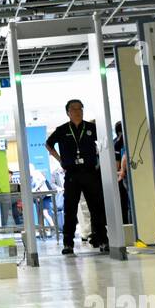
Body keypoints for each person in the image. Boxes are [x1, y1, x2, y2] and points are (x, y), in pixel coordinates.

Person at [45, 100, 109, 255]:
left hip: (89, 172)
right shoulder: (62, 130)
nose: (78, 111)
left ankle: (102, 240)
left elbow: (104, 142)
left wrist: (99, 159)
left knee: (96, 208)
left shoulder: (91, 128)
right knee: (70, 209)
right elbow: (48, 144)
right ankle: (68, 244)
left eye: (80, 108)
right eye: (74, 109)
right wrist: (61, 160)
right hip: (72, 174)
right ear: (68, 112)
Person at [114, 120, 131, 223]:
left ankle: (128, 225)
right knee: (130, 204)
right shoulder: (126, 139)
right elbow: (124, 157)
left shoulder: (116, 142)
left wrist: (120, 171)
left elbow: (118, 161)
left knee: (127, 205)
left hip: (122, 175)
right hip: (125, 174)